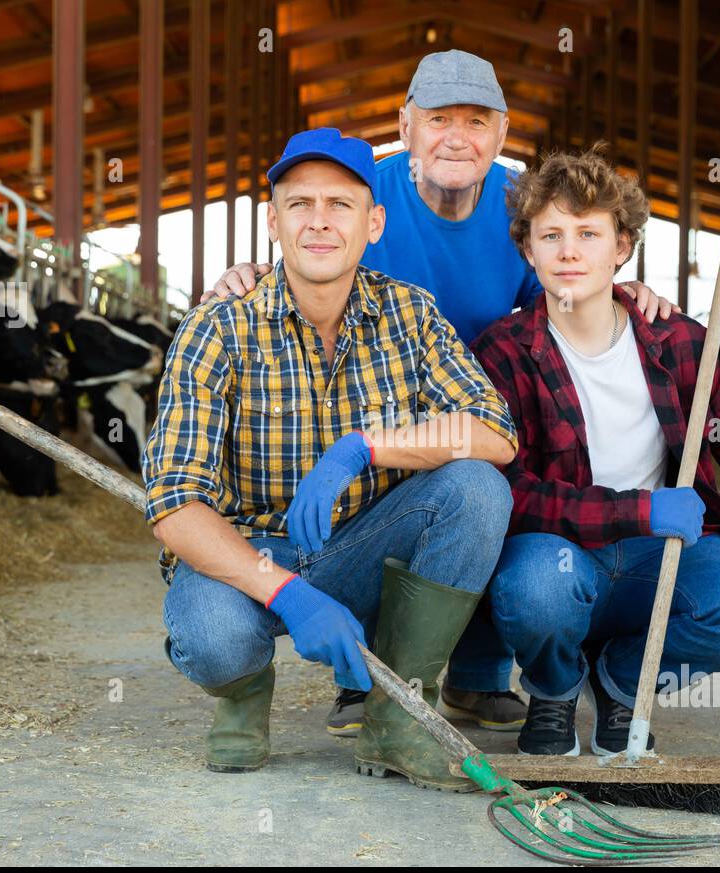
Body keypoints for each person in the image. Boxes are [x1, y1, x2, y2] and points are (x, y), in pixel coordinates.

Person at [204, 50, 679, 737]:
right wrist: (252, 272)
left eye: (476, 121)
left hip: (480, 391)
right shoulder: (369, 190)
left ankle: (476, 678)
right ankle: (364, 678)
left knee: (488, 490)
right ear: (405, 125)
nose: (457, 136)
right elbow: (312, 255)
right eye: (438, 120)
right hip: (374, 394)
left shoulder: (525, 203)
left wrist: (620, 292)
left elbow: (564, 281)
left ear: (502, 131)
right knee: (378, 510)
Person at [470, 147, 720, 758]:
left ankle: (622, 681)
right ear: (527, 250)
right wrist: (638, 510)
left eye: (589, 232)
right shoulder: (503, 351)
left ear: (623, 246)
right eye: (550, 234)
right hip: (559, 553)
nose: (569, 251)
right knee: (534, 588)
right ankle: (553, 689)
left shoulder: (682, 344)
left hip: (660, 555)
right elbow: (508, 491)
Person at [142, 128, 518, 791]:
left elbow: (494, 434)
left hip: (366, 548)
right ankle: (243, 691)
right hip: (250, 557)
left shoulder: (412, 314)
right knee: (212, 636)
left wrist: (367, 448)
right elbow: (175, 504)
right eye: (300, 203)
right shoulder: (217, 330)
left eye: (340, 205)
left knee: (476, 488)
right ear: (273, 222)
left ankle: (398, 716)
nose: (319, 221)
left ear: (374, 223)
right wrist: (289, 593)